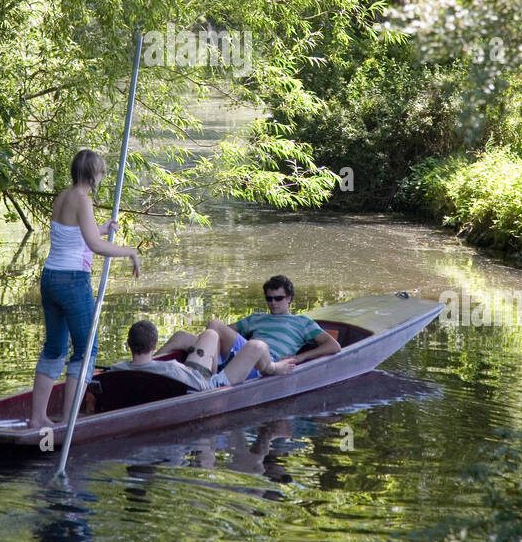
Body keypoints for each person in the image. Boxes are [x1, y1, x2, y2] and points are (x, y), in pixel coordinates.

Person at [30, 149, 141, 430]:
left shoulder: (63, 197)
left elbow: (73, 234)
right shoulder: (83, 200)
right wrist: (129, 252)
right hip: (73, 281)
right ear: (93, 175)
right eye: (102, 172)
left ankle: (37, 418)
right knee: (86, 350)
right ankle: (68, 421)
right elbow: (94, 246)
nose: (103, 177)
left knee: (54, 349)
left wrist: (102, 228)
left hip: (50, 278)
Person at [158, 274, 341, 373]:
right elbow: (220, 335)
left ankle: (208, 373)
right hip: (236, 355)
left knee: (214, 324)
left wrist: (299, 359)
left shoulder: (302, 322)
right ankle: (147, 367)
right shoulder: (256, 318)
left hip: (263, 361)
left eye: (278, 298)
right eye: (269, 299)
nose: (273, 303)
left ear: (290, 298)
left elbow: (333, 345)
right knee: (181, 336)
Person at [109, 319, 292, 392]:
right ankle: (274, 367)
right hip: (207, 385)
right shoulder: (171, 367)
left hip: (184, 377)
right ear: (154, 344)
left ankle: (215, 351)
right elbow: (195, 377)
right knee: (256, 346)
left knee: (207, 334)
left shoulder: (116, 370)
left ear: (129, 345)